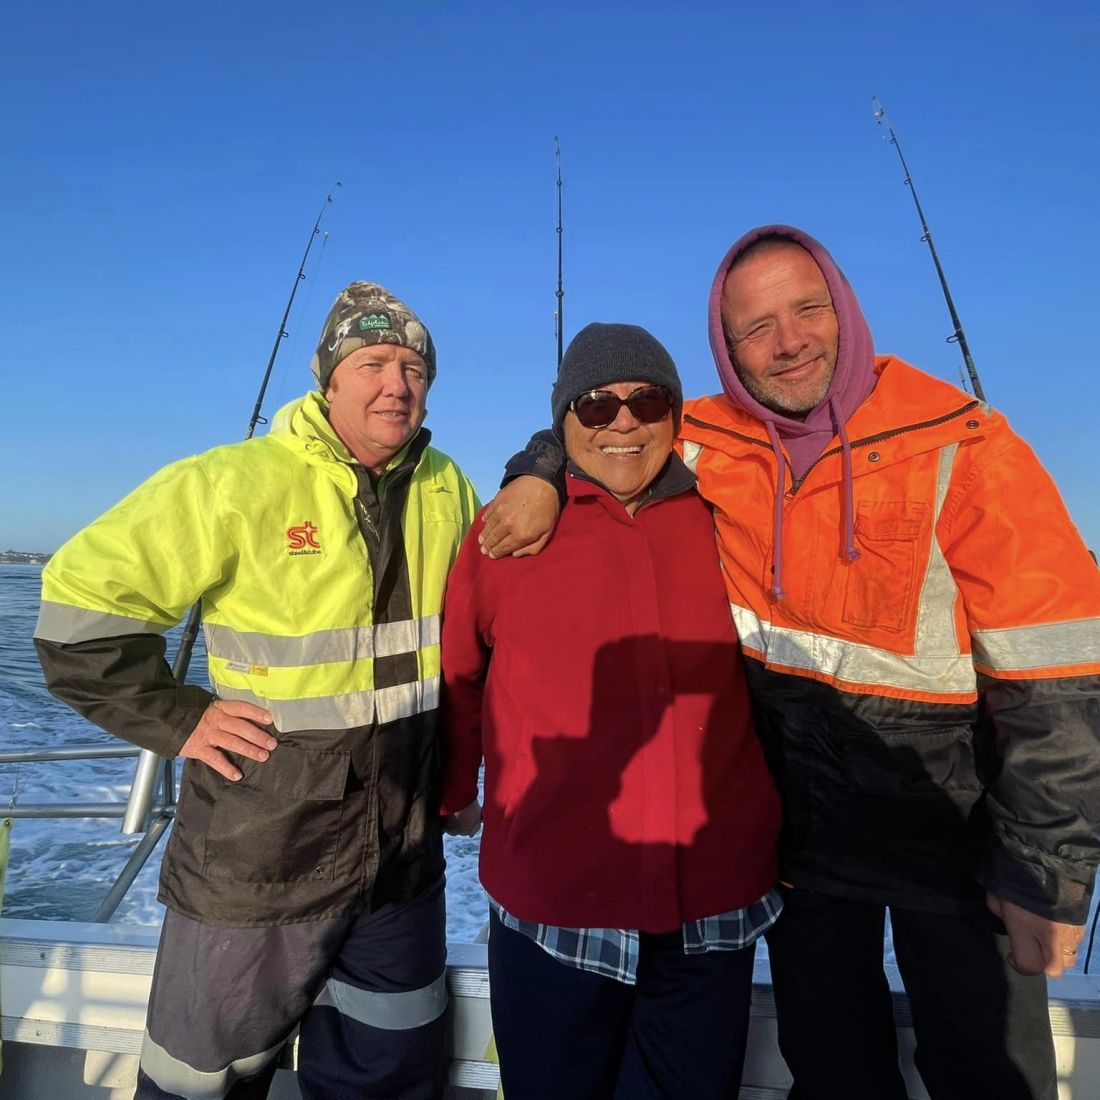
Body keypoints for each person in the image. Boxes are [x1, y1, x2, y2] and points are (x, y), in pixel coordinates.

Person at [480, 227, 1100, 1100]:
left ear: (844, 309)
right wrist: (538, 471)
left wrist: (1048, 866)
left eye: (807, 309)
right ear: (727, 350)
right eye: (755, 328)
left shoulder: (968, 444)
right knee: (834, 1070)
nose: (787, 341)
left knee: (990, 1075)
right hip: (798, 846)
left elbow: (1058, 672)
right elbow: (602, 422)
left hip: (950, 836)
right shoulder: (705, 440)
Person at [34, 283, 480, 1100]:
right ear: (328, 379)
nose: (397, 384)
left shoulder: (450, 485)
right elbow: (76, 614)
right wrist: (180, 716)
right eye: (374, 363)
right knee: (200, 1083)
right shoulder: (232, 482)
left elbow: (479, 637)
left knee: (393, 1076)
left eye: (415, 367)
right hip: (256, 863)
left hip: (402, 870)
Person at [440, 322, 782, 1100]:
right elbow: (460, 674)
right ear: (562, 423)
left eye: (647, 400)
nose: (623, 422)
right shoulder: (505, 533)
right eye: (595, 407)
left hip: (711, 908)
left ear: (676, 414)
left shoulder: (732, 523)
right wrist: (454, 789)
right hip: (553, 905)